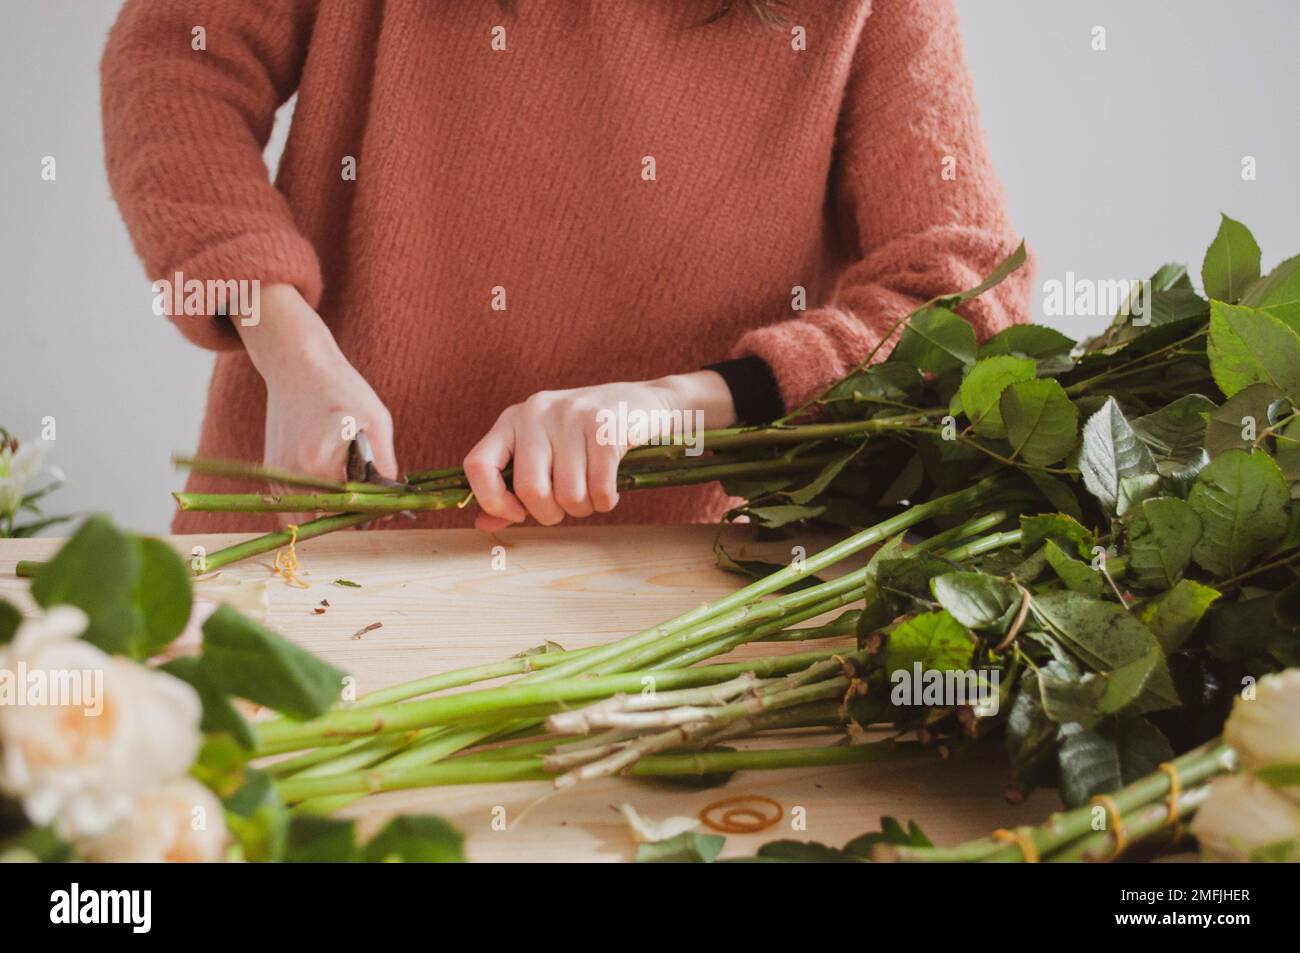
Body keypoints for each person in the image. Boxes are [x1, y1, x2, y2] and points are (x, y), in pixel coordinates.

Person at [101, 0, 1031, 535]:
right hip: (302, 547)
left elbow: (966, 292)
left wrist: (675, 404)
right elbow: (175, 62)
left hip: (668, 619)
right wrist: (291, 348)